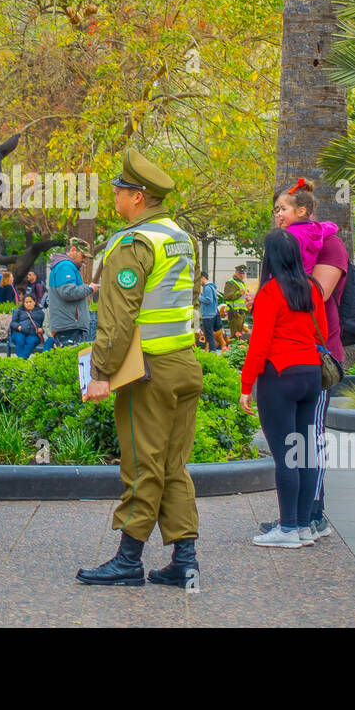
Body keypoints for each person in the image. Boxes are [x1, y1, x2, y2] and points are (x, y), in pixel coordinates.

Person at [79, 150, 200, 588]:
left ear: (138, 196)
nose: (114, 194)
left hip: (146, 370)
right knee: (173, 465)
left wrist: (100, 374)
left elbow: (116, 320)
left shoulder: (134, 243)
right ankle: (184, 559)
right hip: (184, 364)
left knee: (141, 465)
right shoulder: (179, 238)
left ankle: (128, 560)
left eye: (119, 189)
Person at [270, 178, 347, 541]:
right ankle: (297, 516)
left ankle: (312, 515)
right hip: (286, 356)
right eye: (275, 210)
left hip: (317, 353)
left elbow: (317, 291)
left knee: (309, 438)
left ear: (304, 210)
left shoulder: (330, 245)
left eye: (283, 209)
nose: (278, 216)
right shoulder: (285, 245)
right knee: (293, 440)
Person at [241, 229, 328, 548]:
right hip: (312, 375)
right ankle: (304, 525)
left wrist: (246, 385)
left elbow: (259, 343)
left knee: (286, 456)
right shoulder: (313, 289)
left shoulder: (270, 292)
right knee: (304, 452)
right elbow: (324, 333)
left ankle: (288, 529)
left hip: (280, 375)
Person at [47, 238, 98, 347]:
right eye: (83, 256)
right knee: (72, 361)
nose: (85, 260)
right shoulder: (66, 266)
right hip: (69, 327)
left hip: (68, 327)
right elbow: (68, 292)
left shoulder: (64, 266)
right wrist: (89, 288)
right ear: (73, 250)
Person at [8, 294, 46, 359]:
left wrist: (42, 329)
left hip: (33, 334)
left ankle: (21, 360)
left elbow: (45, 325)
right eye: (26, 302)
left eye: (30, 302)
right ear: (24, 303)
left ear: (34, 302)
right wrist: (18, 327)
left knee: (31, 341)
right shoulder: (19, 311)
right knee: (20, 339)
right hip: (19, 332)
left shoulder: (40, 313)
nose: (28, 304)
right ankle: (22, 360)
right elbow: (12, 323)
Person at [221, 265, 249, 340]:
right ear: (236, 273)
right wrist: (239, 294)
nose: (242, 275)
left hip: (241, 313)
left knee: (239, 336)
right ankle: (232, 350)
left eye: (243, 273)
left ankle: (238, 350)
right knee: (234, 336)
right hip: (234, 312)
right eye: (240, 273)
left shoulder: (241, 283)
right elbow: (226, 296)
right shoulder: (231, 283)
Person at [198, 272, 222, 352]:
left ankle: (213, 352)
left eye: (199, 279)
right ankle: (213, 351)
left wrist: (199, 297)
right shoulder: (211, 287)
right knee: (210, 335)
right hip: (212, 314)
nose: (199, 282)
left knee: (209, 335)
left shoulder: (207, 287)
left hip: (208, 315)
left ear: (203, 277)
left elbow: (208, 300)